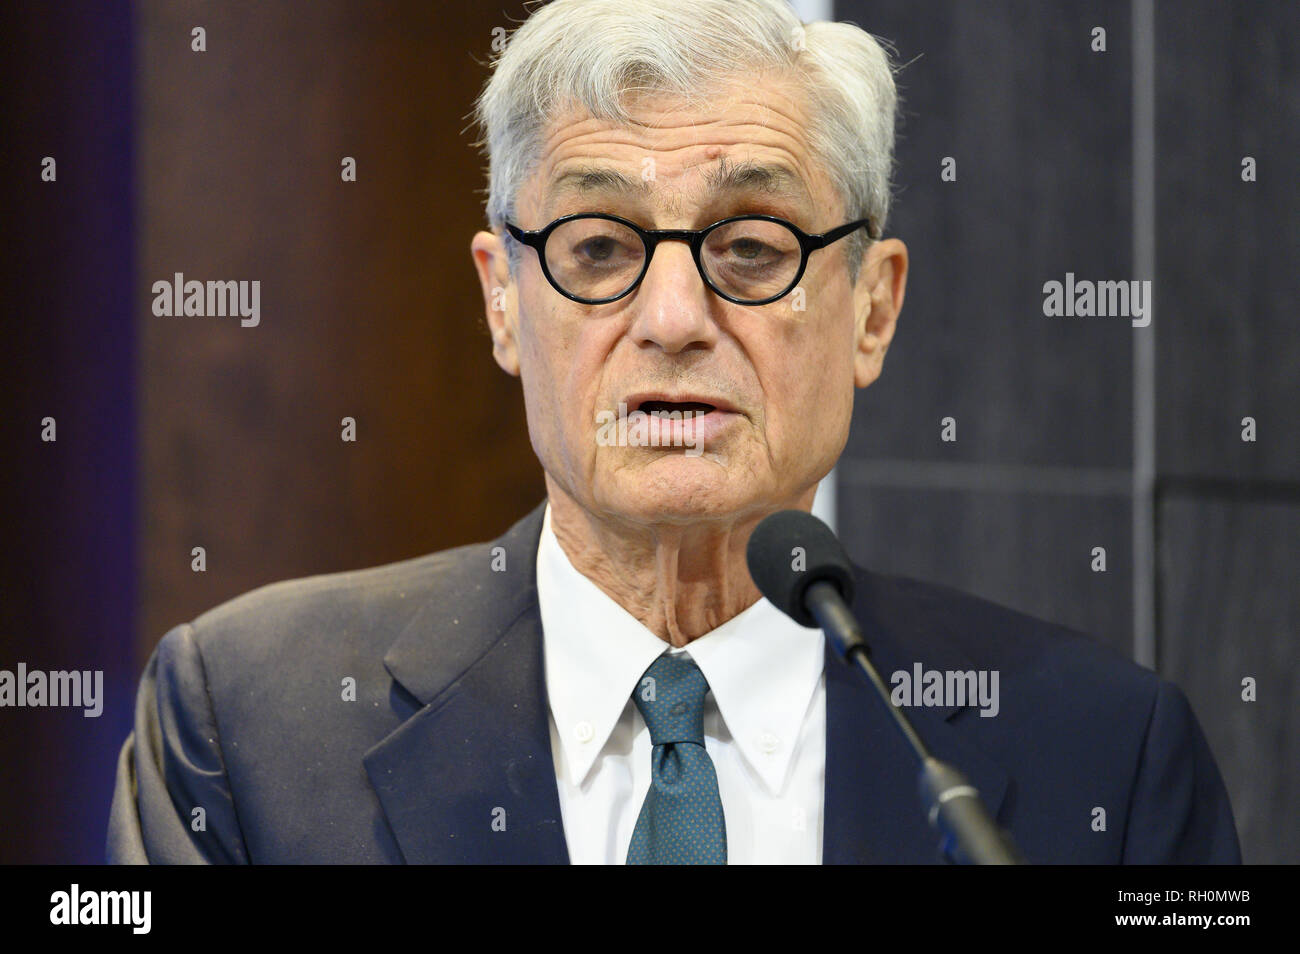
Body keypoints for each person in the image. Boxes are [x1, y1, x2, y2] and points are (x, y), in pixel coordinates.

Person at [107, 0, 1240, 864]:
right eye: (597, 247)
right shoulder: (246, 723)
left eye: (751, 247)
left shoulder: (1104, 755)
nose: (672, 320)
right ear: (503, 301)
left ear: (872, 308)